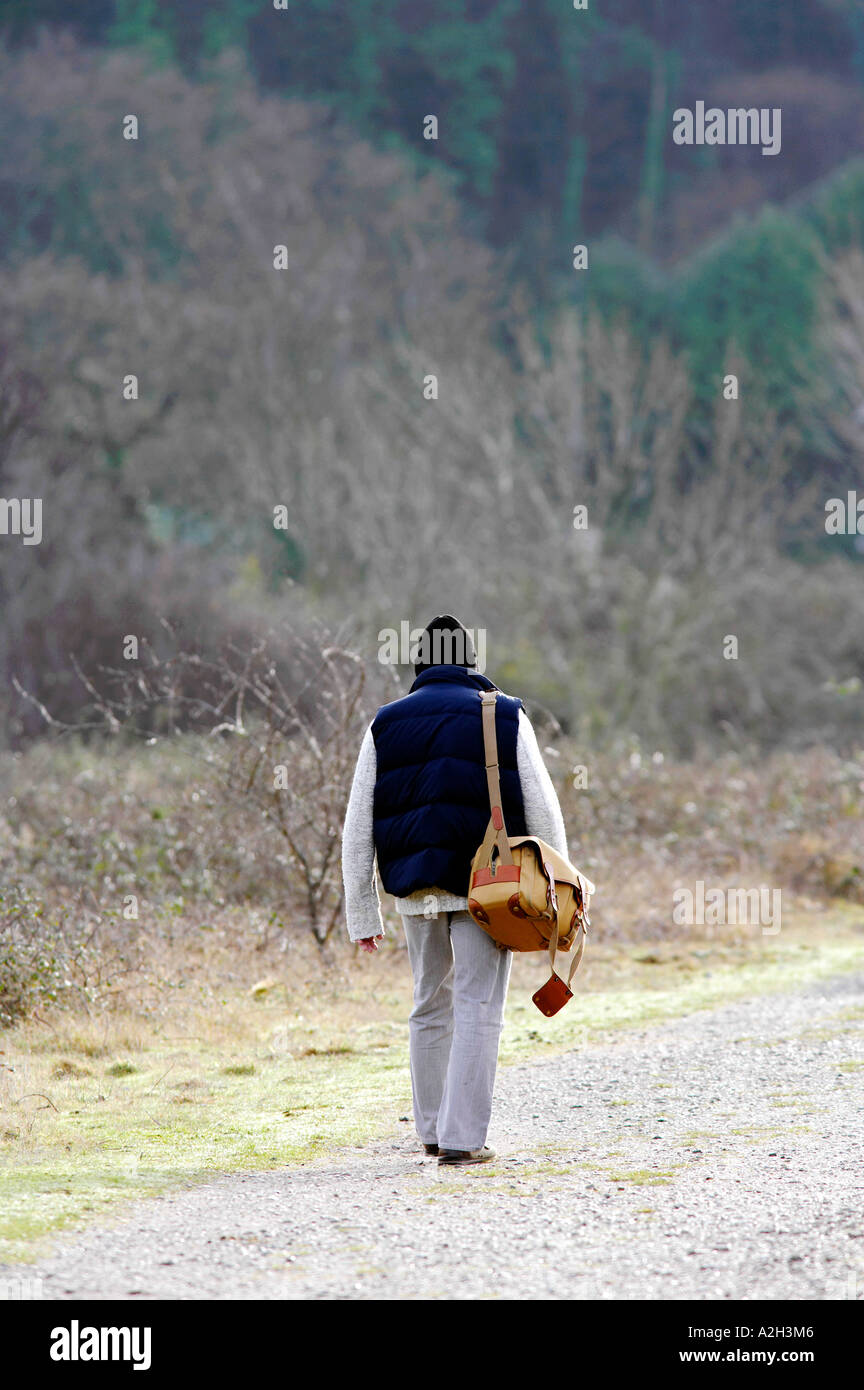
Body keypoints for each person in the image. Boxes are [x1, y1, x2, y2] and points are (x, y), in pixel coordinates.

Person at [341, 615, 569, 1166]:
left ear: (420, 664)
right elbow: (542, 810)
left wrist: (363, 913)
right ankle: (463, 1139)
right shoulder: (505, 713)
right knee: (478, 1005)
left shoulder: (385, 723)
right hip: (487, 890)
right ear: (472, 661)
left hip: (413, 892)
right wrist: (558, 892)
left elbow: (357, 824)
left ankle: (431, 1132)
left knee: (428, 1004)